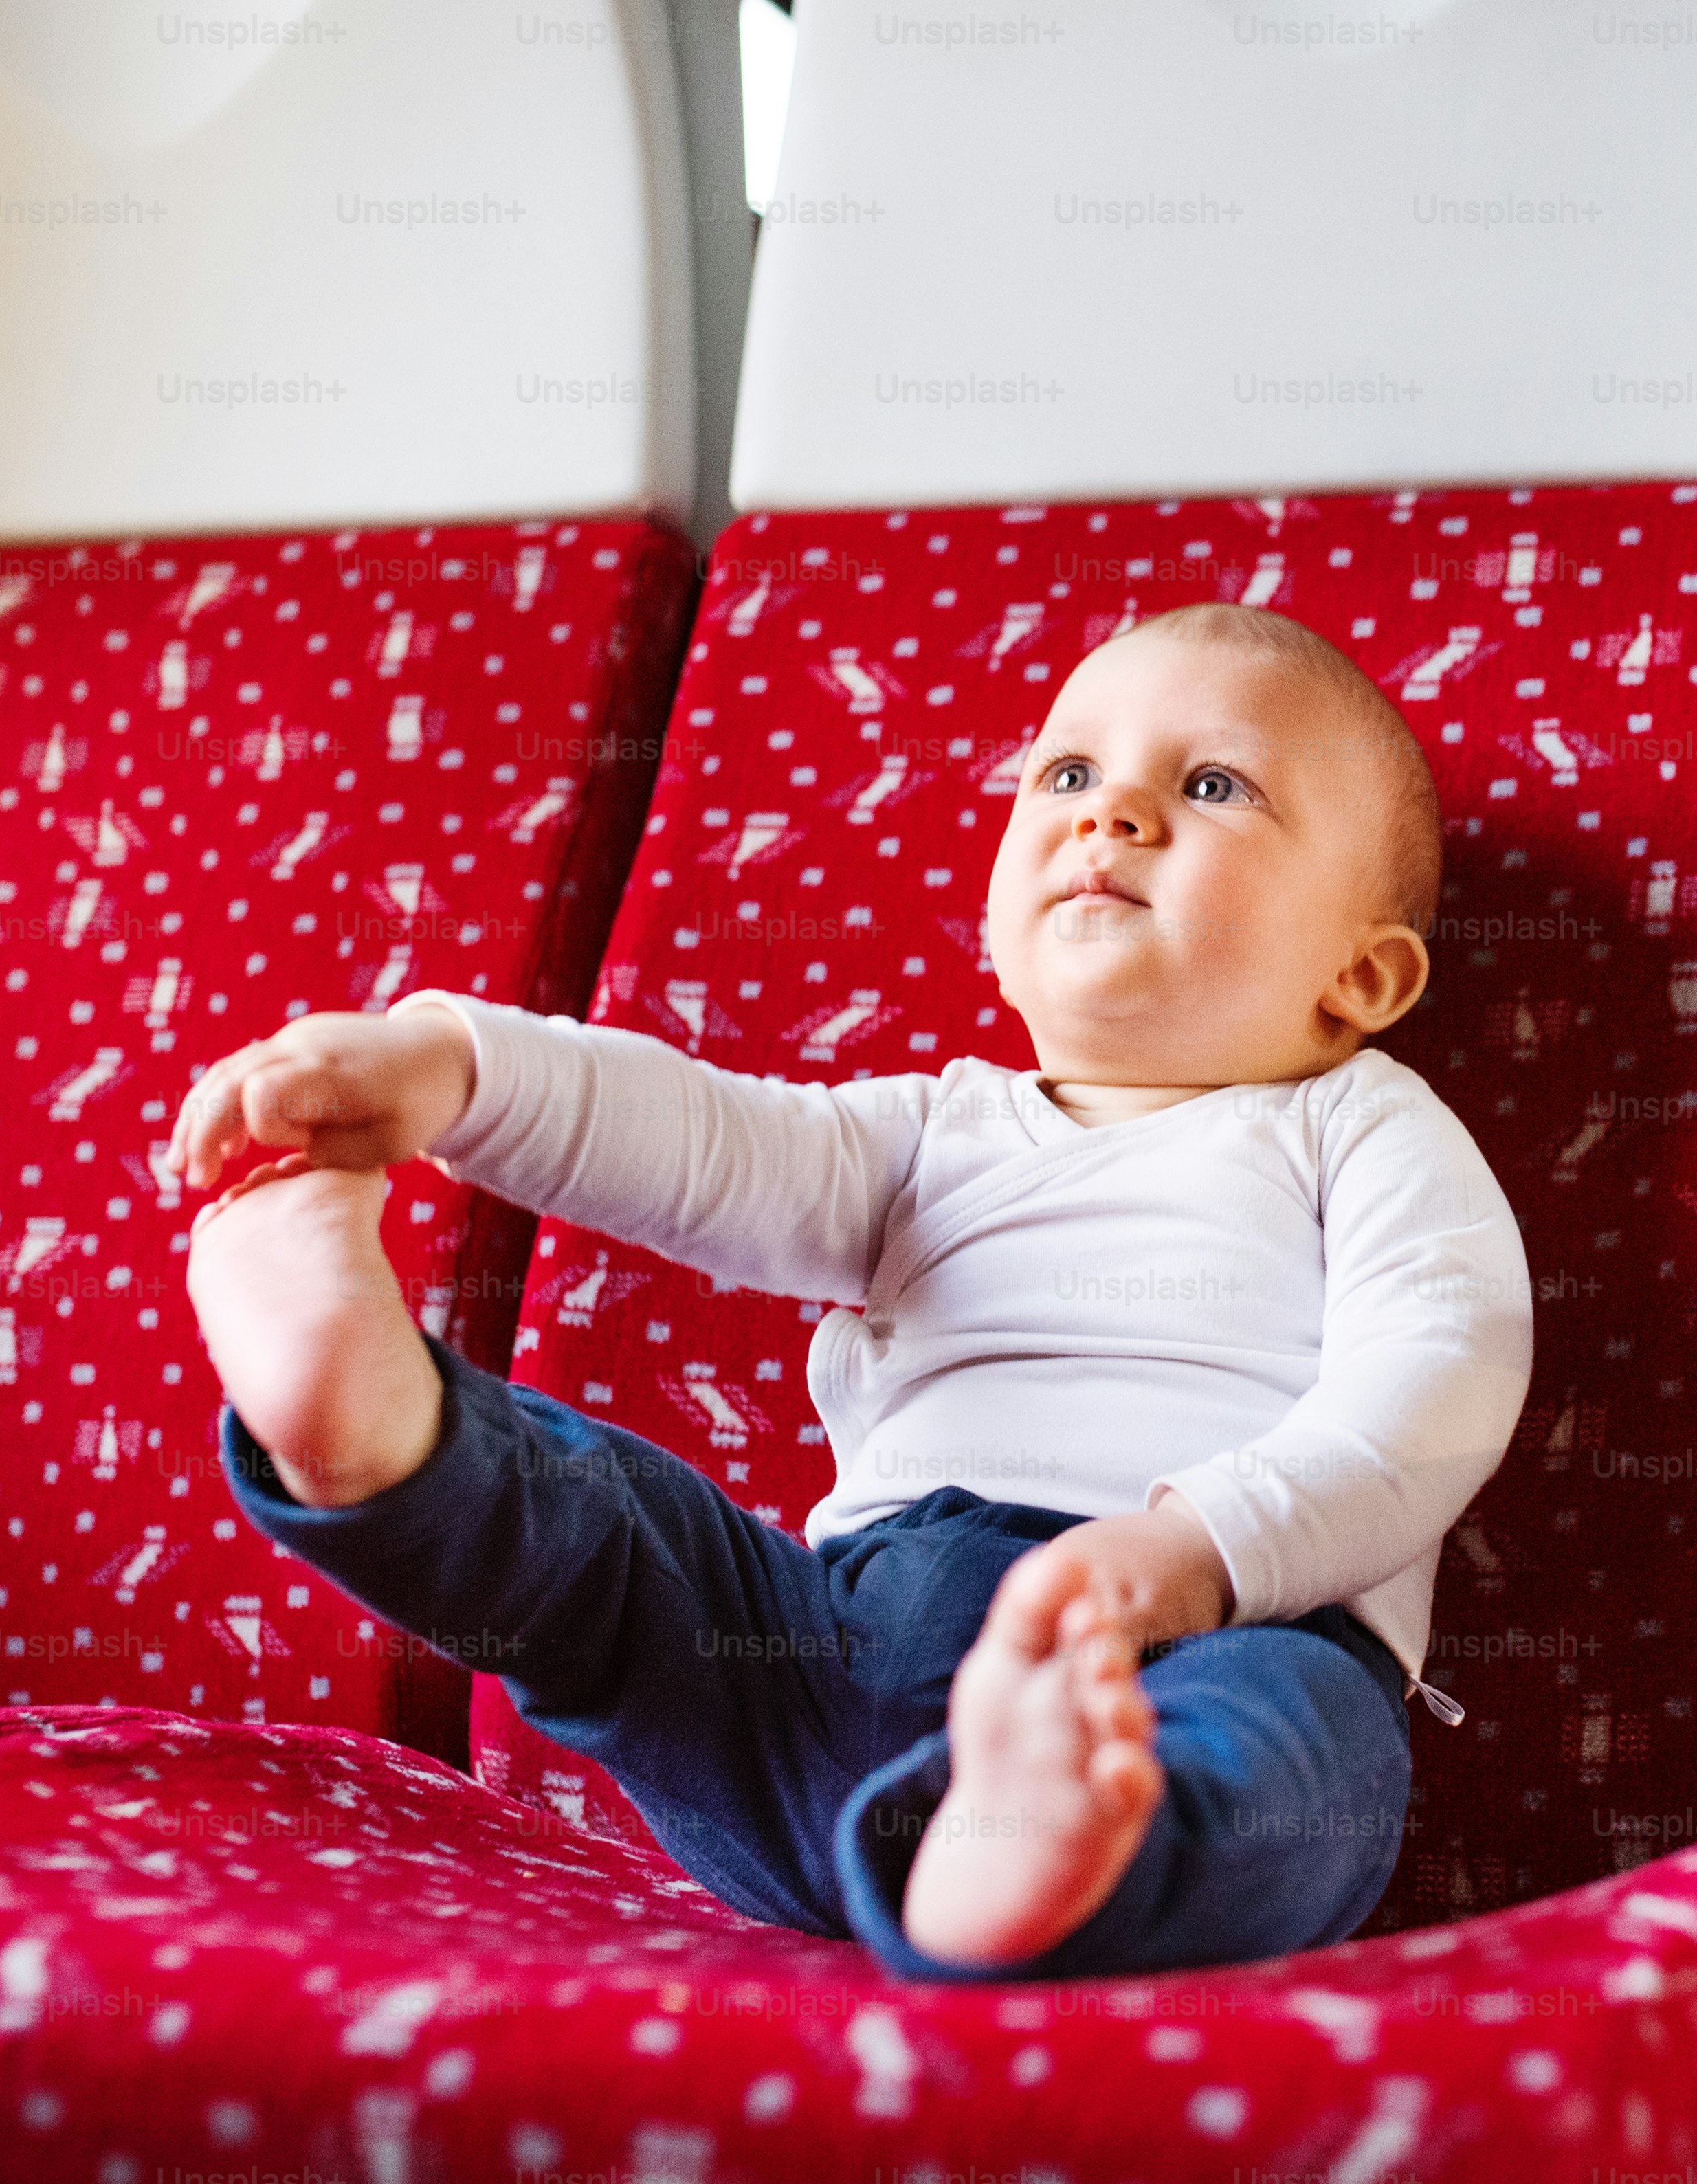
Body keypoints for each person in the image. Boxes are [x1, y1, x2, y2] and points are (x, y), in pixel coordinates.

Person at [168, 602, 1532, 1981]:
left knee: (1307, 1763)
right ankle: (375, 1430)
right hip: (834, 1647)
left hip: (1214, 1644)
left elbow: (1442, 1370)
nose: (1109, 813)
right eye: (1067, 775)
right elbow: (698, 1142)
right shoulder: (929, 1133)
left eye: (1211, 784)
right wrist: (444, 1072)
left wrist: (1199, 1552)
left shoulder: (1353, 1124)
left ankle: (1068, 1851)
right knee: (626, 1556)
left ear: (1360, 976)